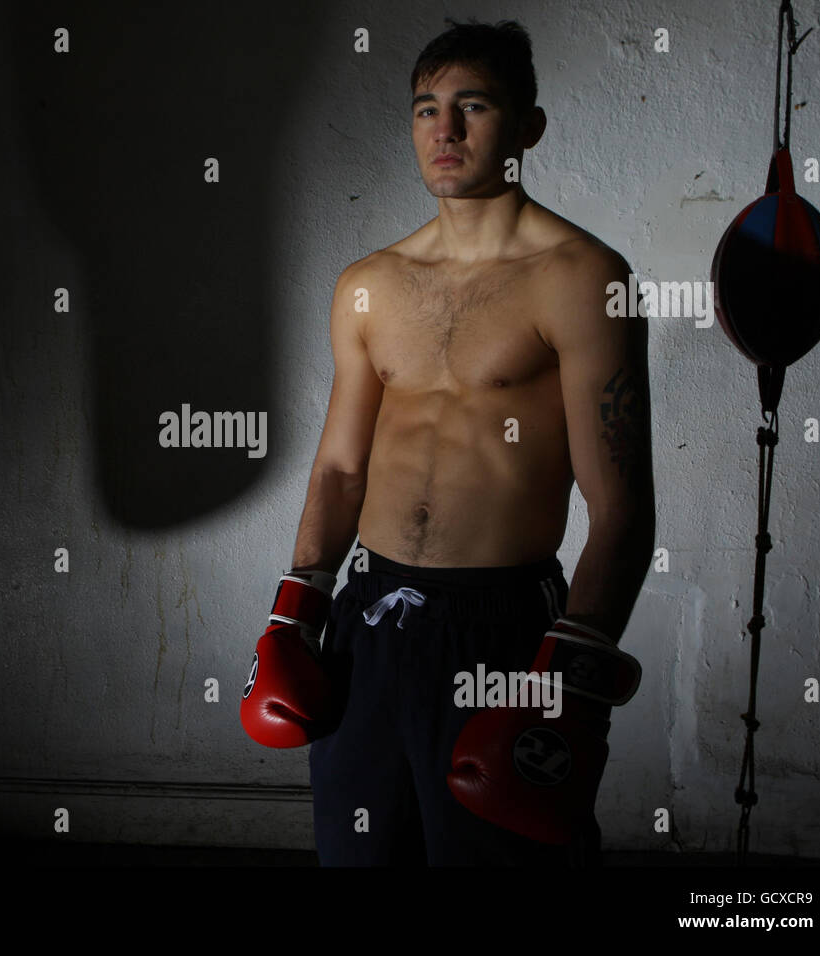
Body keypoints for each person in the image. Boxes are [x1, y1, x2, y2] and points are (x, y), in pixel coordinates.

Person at [240, 19, 656, 866]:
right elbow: (341, 466)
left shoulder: (582, 279)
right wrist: (296, 611)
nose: (446, 132)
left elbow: (620, 509)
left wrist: (567, 678)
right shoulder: (369, 285)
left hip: (502, 629)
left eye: (473, 107)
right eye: (427, 110)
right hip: (370, 622)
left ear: (526, 128)